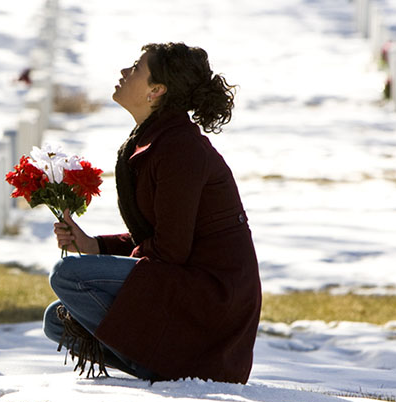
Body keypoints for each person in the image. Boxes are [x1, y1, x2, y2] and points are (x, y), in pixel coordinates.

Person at [42, 42, 261, 384]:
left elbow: (171, 249)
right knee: (57, 320)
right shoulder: (156, 140)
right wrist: (94, 246)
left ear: (156, 91)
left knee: (67, 276)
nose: (124, 73)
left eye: (136, 68)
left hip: (210, 302)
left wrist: (98, 264)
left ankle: (171, 366)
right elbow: (160, 238)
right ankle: (163, 360)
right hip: (183, 286)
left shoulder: (180, 149)